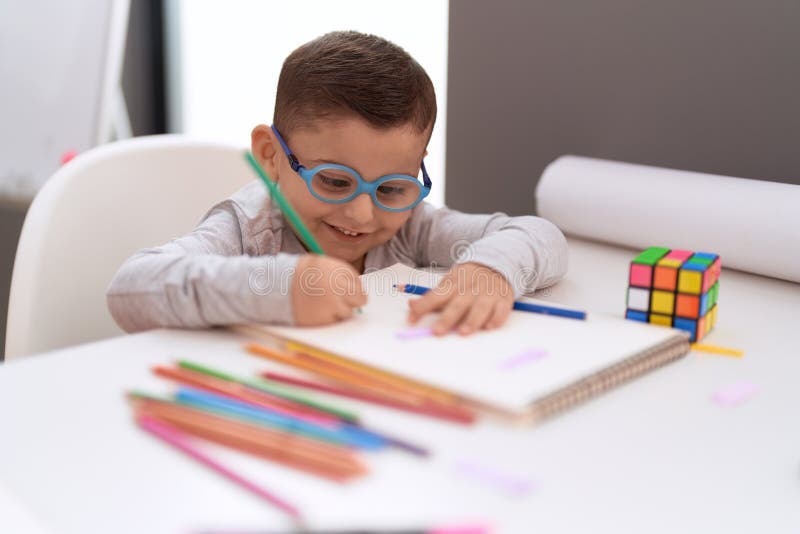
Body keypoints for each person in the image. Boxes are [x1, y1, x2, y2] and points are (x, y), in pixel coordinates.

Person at [107, 31, 568, 337]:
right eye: (334, 181)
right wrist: (280, 286)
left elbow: (540, 235)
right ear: (272, 156)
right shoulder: (251, 228)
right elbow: (129, 288)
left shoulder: (411, 225)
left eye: (390, 188)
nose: (362, 215)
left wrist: (490, 270)